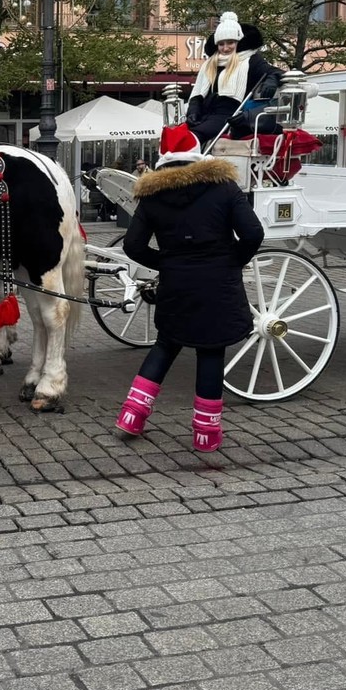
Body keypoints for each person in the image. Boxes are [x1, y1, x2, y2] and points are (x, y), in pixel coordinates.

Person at [114, 123, 265, 452]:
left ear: (163, 159)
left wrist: (166, 263)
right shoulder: (223, 187)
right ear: (198, 154)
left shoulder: (152, 195)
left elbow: (133, 246)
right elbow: (253, 233)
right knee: (211, 350)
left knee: (166, 344)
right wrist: (230, 261)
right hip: (218, 281)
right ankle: (205, 434)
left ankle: (132, 415)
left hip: (176, 282)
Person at [185, 11, 285, 143]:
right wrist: (193, 110)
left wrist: (272, 80)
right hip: (203, 116)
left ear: (238, 42)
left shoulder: (250, 60)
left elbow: (276, 72)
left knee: (191, 138)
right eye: (221, 44)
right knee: (175, 135)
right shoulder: (210, 64)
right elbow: (198, 94)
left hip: (229, 116)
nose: (225, 48)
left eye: (230, 42)